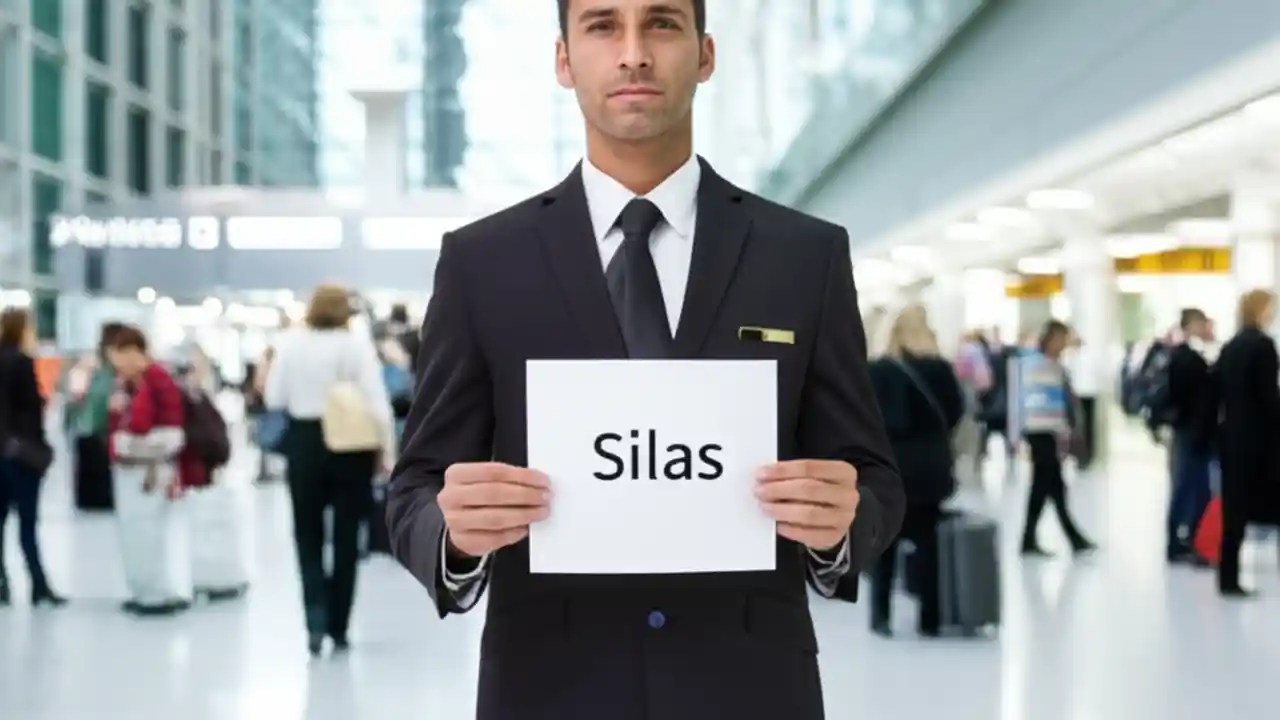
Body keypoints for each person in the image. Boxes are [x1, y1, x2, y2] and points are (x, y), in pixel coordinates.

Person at [386, 1, 905, 717]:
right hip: (550, 687)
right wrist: (452, 534)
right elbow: (415, 486)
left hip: (751, 687)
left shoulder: (804, 256)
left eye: (661, 23)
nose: (633, 53)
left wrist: (841, 523)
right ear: (564, 60)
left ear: (706, 54)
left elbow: (872, 473)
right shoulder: (483, 263)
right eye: (603, 26)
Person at [265, 284, 395, 656]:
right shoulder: (354, 345)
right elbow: (376, 399)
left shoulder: (290, 343)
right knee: (346, 536)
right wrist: (387, 448)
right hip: (351, 444)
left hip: (304, 442)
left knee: (306, 534)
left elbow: (275, 396)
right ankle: (340, 626)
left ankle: (314, 620)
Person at [867, 306, 964, 638]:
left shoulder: (877, 371)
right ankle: (929, 617)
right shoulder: (940, 370)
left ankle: (881, 616)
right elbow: (955, 413)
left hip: (888, 467)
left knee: (883, 542)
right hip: (929, 469)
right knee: (928, 542)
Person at [105, 325, 194, 615]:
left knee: (147, 531)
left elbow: (149, 425)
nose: (117, 362)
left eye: (121, 354)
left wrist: (125, 440)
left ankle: (155, 593)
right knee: (135, 532)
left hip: (149, 471)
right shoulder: (129, 383)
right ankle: (143, 590)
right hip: (134, 469)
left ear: (136, 352)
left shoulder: (154, 380)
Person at [1214, 290, 1280, 597]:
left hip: (1231, 435)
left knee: (1234, 510)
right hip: (1259, 438)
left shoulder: (1231, 346)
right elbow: (1268, 397)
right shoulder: (1263, 346)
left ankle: (1227, 577)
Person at [0, 308, 65, 607]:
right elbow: (31, 413)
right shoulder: (22, 363)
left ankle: (3, 585)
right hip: (23, 455)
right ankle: (38, 585)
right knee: (27, 524)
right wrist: (42, 452)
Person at [1019, 320, 1097, 557]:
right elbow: (1046, 403)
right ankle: (1072, 538)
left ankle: (1031, 538)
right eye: (1062, 338)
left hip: (1047, 432)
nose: (1064, 343)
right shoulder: (1039, 366)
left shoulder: (1053, 365)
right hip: (1040, 432)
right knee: (1052, 486)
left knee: (1044, 487)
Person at [1165, 308, 1216, 565]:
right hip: (1192, 432)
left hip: (1191, 432)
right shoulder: (1188, 358)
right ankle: (1182, 542)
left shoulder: (1187, 356)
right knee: (1189, 488)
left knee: (1193, 489)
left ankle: (1185, 541)